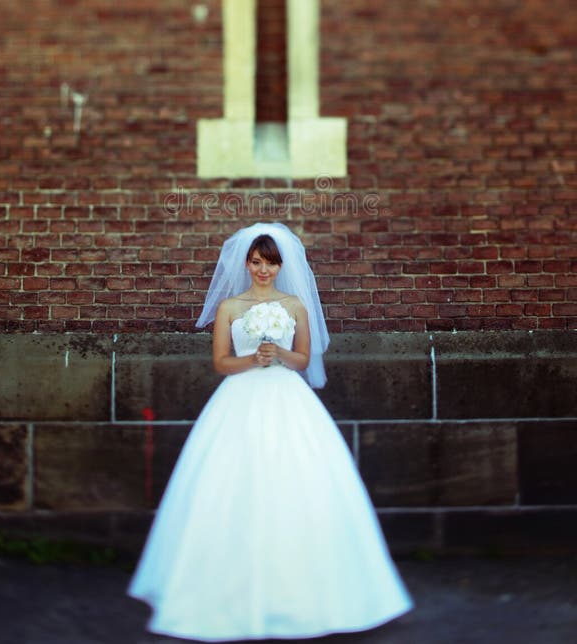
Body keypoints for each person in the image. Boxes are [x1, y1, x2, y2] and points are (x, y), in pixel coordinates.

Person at [128, 222, 413, 641]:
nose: (264, 270)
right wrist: (253, 360)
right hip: (239, 398)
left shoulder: (295, 305)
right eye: (257, 262)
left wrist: (279, 352)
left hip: (287, 396)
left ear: (281, 266)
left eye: (271, 263)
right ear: (246, 264)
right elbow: (221, 363)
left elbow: (303, 359)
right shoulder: (230, 307)